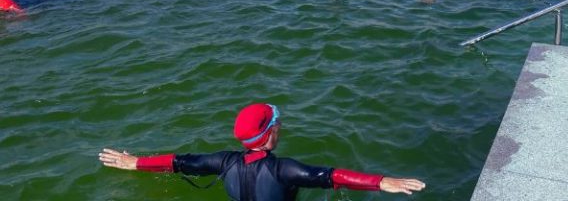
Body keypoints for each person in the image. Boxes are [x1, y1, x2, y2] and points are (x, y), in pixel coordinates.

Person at [99, 103, 425, 200]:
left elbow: (180, 162)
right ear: (270, 134)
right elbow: (329, 176)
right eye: (278, 123)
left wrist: (136, 163)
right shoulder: (283, 169)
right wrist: (381, 181)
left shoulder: (223, 163)